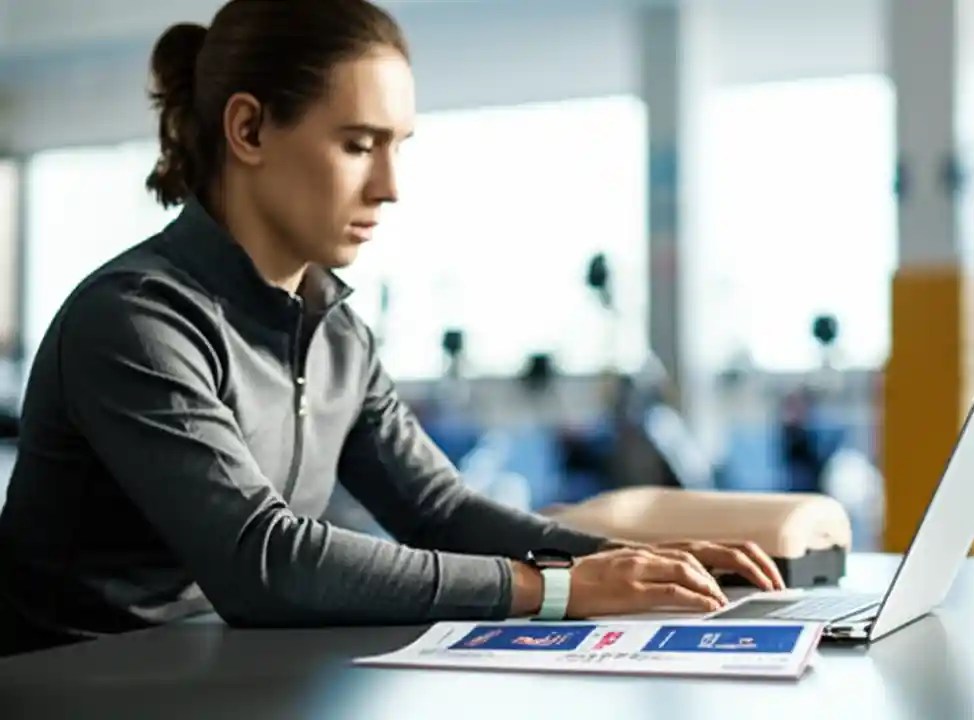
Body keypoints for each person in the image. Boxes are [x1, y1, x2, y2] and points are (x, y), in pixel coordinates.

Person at [0, 0, 783, 657]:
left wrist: (631, 562)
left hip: (221, 666)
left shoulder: (338, 333)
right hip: (74, 683)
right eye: (357, 145)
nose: (391, 185)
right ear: (249, 131)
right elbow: (264, 561)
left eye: (398, 147)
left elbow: (438, 510)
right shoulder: (135, 318)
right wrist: (556, 591)